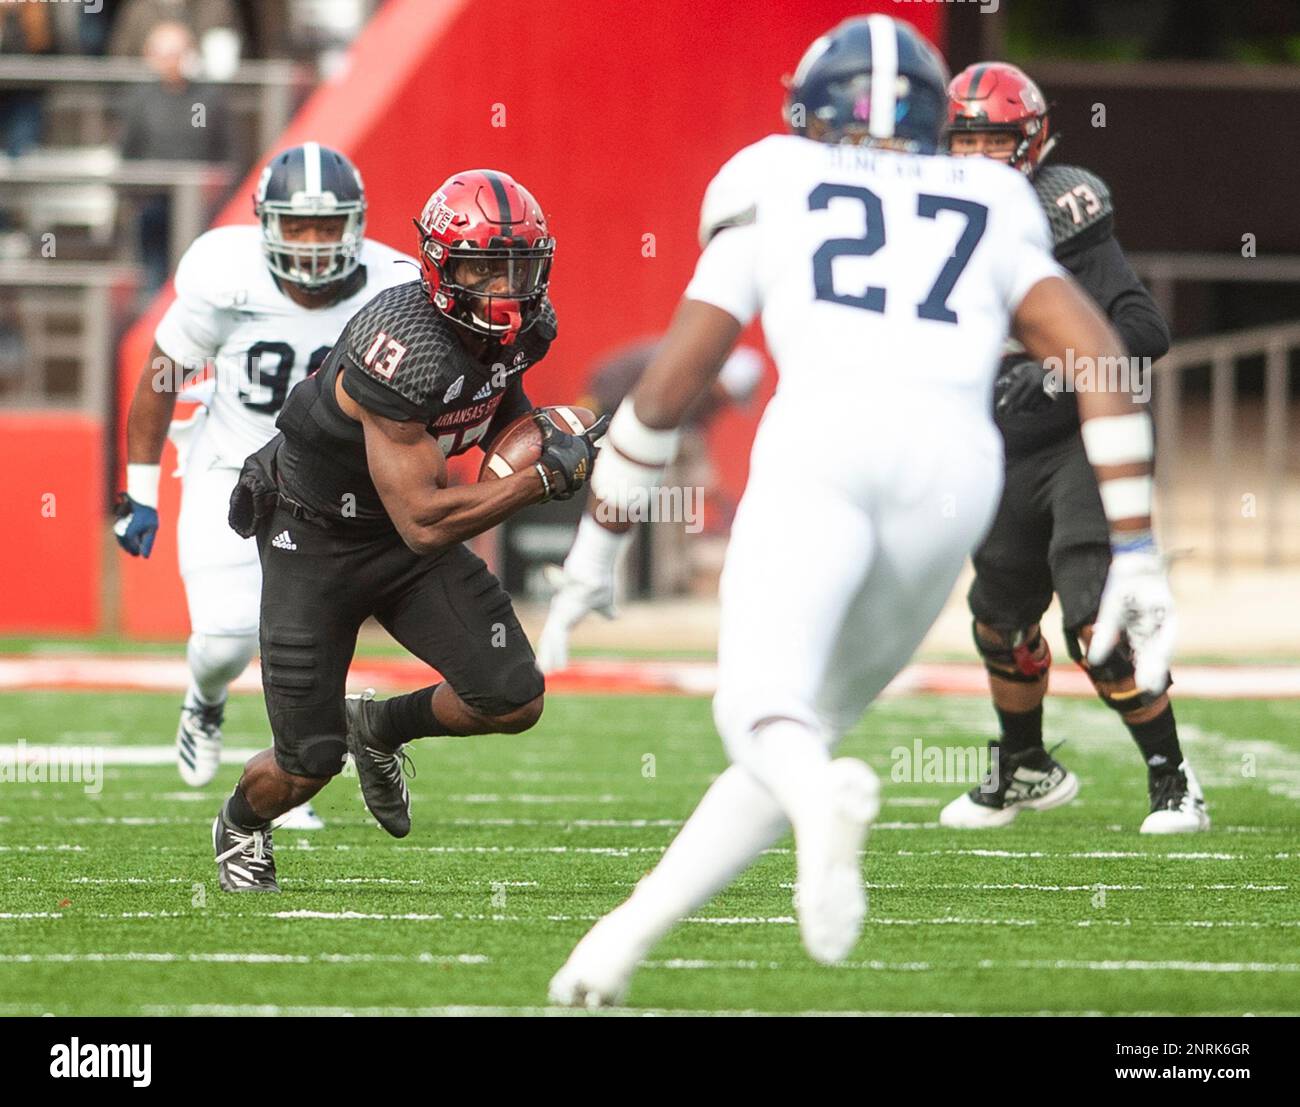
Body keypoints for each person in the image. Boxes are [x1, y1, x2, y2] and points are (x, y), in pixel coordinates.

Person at [546, 15, 1177, 1006]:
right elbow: (1103, 358)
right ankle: (623, 939)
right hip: (951, 476)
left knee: (756, 712)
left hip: (823, 451)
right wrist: (1136, 546)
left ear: (811, 110)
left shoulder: (772, 175)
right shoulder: (989, 195)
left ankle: (816, 804)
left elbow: (664, 393)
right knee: (807, 722)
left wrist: (595, 548)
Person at [207, 168, 606, 892]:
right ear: (442, 267)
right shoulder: (402, 346)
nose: (505, 287)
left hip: (398, 537)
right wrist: (538, 478)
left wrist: (531, 436)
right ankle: (241, 822)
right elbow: (424, 522)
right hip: (315, 536)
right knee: (307, 761)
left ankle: (381, 726)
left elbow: (498, 396)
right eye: (484, 267)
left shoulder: (529, 328)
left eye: (519, 266)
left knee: (513, 696)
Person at [937, 62, 1207, 834]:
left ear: (1034, 142)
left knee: (1095, 620)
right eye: (968, 139)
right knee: (998, 619)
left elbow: (1144, 331)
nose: (982, 157)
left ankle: (1172, 776)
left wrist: (1056, 373)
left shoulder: (1061, 212)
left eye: (997, 139)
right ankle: (1025, 767)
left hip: (1081, 445)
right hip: (998, 449)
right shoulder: (925, 213)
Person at [115, 142, 414, 830]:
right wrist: (140, 489)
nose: (313, 244)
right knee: (223, 639)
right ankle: (204, 697)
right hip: (229, 468)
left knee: (303, 642)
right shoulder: (226, 276)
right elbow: (162, 376)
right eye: (298, 225)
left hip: (326, 488)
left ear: (357, 224)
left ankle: (288, 772)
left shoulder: (390, 287)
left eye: (327, 225)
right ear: (265, 223)